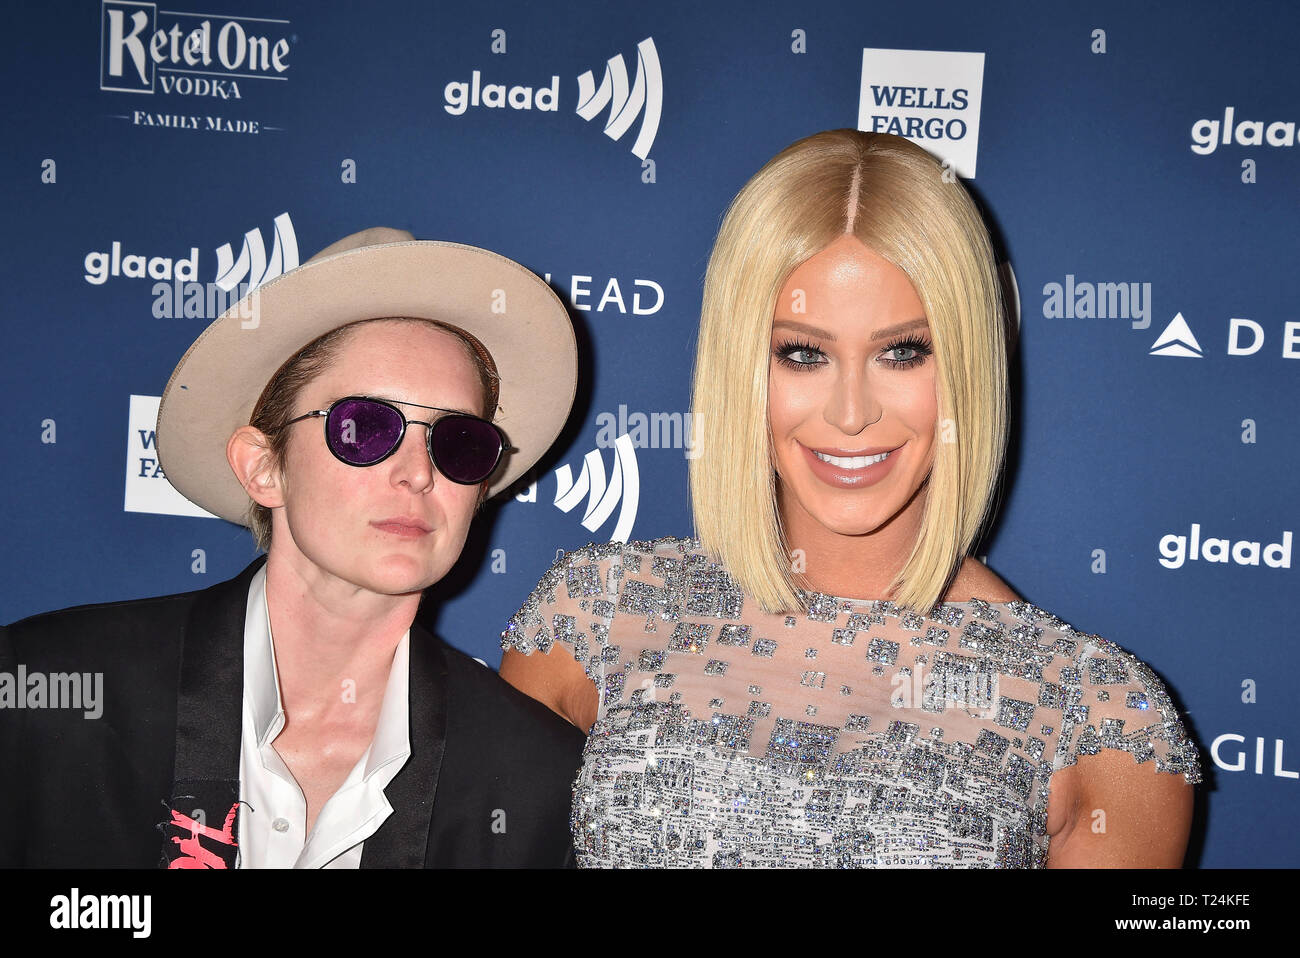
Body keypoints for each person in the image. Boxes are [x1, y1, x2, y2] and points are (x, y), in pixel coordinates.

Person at [499, 130, 1203, 868]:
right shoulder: (593, 619)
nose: (850, 412)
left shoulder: (1098, 718)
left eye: (904, 352)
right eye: (803, 354)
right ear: (740, 364)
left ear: (966, 362)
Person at [1, 227, 586, 868]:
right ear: (264, 468)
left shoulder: (542, 782)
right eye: (366, 427)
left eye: (459, 442)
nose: (418, 472)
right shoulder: (47, 695)